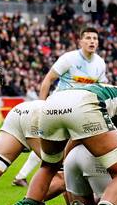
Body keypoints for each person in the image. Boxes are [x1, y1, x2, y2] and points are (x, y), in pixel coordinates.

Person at [12, 25, 107, 187]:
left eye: (95, 38)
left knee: (54, 145)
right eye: (88, 38)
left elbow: (102, 88)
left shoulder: (100, 63)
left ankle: (22, 175)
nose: (92, 41)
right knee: (56, 144)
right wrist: (41, 105)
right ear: (80, 41)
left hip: (80, 111)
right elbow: (48, 80)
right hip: (59, 109)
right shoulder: (69, 58)